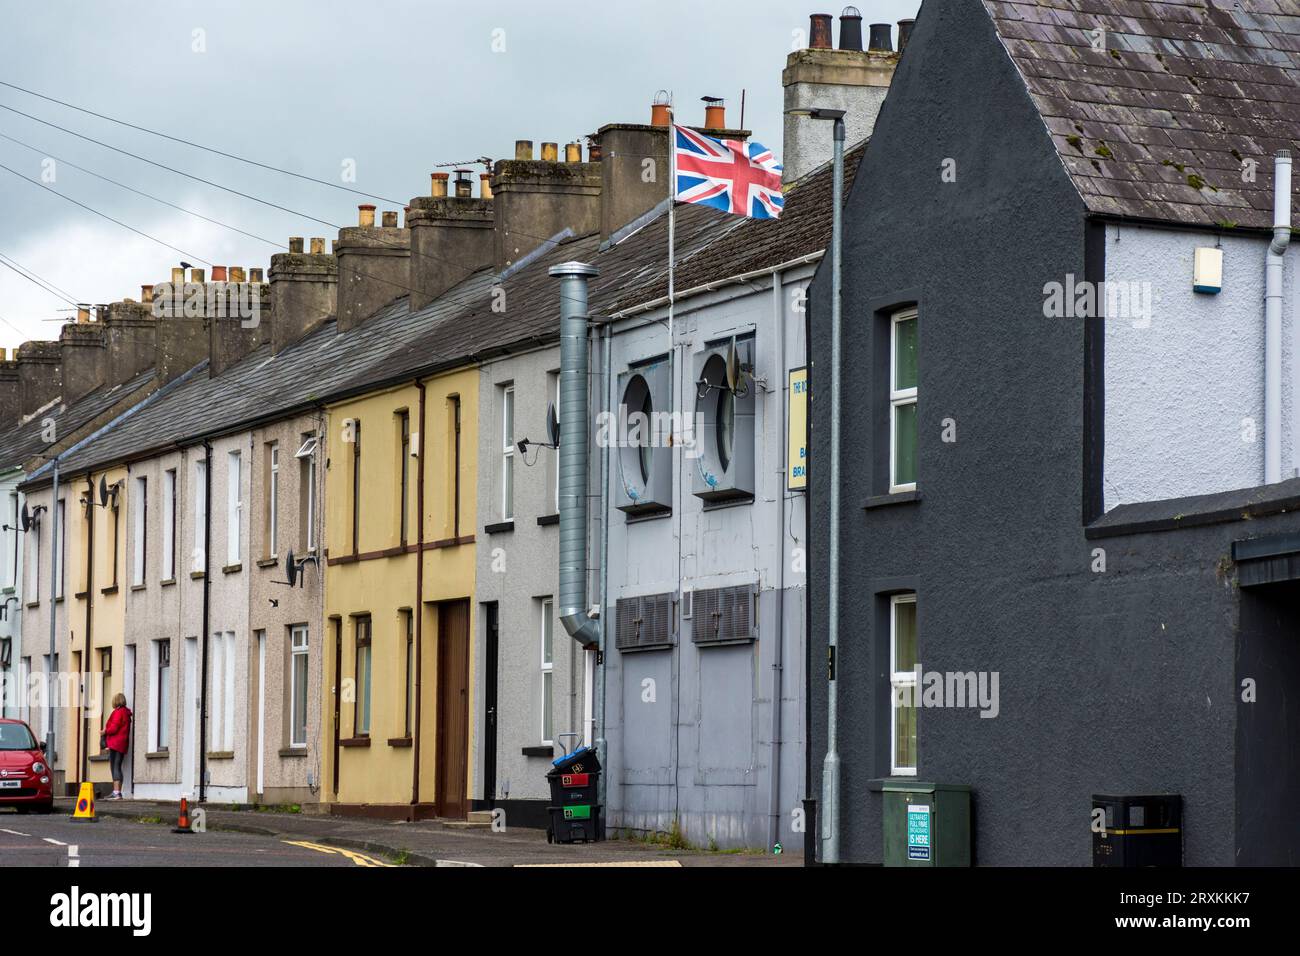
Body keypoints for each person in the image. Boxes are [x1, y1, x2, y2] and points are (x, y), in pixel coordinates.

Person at [102, 693, 132, 800]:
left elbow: (114, 728)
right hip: (122, 743)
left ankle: (117, 792)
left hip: (116, 743)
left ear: (116, 701)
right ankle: (117, 791)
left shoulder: (118, 712)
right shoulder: (126, 713)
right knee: (118, 766)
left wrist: (105, 731)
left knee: (114, 766)